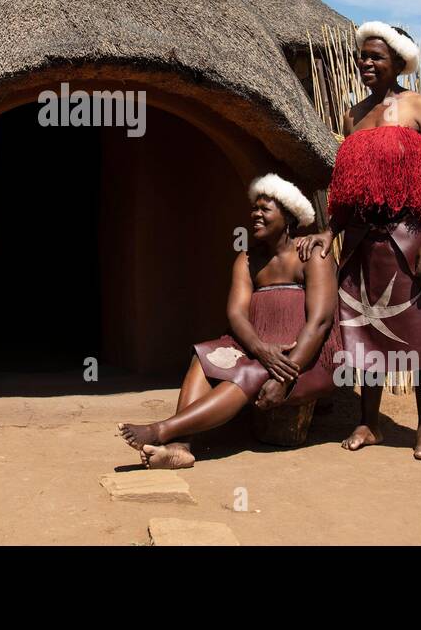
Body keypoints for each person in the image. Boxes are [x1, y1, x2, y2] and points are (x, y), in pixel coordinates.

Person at [297, 21, 421, 461]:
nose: (365, 62)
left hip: (409, 239)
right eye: (362, 56)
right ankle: (369, 423)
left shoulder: (419, 106)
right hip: (363, 242)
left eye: (375, 57)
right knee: (365, 333)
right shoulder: (353, 116)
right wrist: (330, 230)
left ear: (398, 63)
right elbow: (348, 188)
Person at [117, 174, 341, 469]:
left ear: (288, 216)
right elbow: (236, 313)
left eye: (265, 209)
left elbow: (320, 322)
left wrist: (283, 376)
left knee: (248, 373)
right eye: (254, 208)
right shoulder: (247, 259)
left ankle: (161, 430)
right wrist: (260, 349)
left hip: (303, 360)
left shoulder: (312, 255)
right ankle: (181, 448)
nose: (255, 214)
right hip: (255, 350)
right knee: (203, 356)